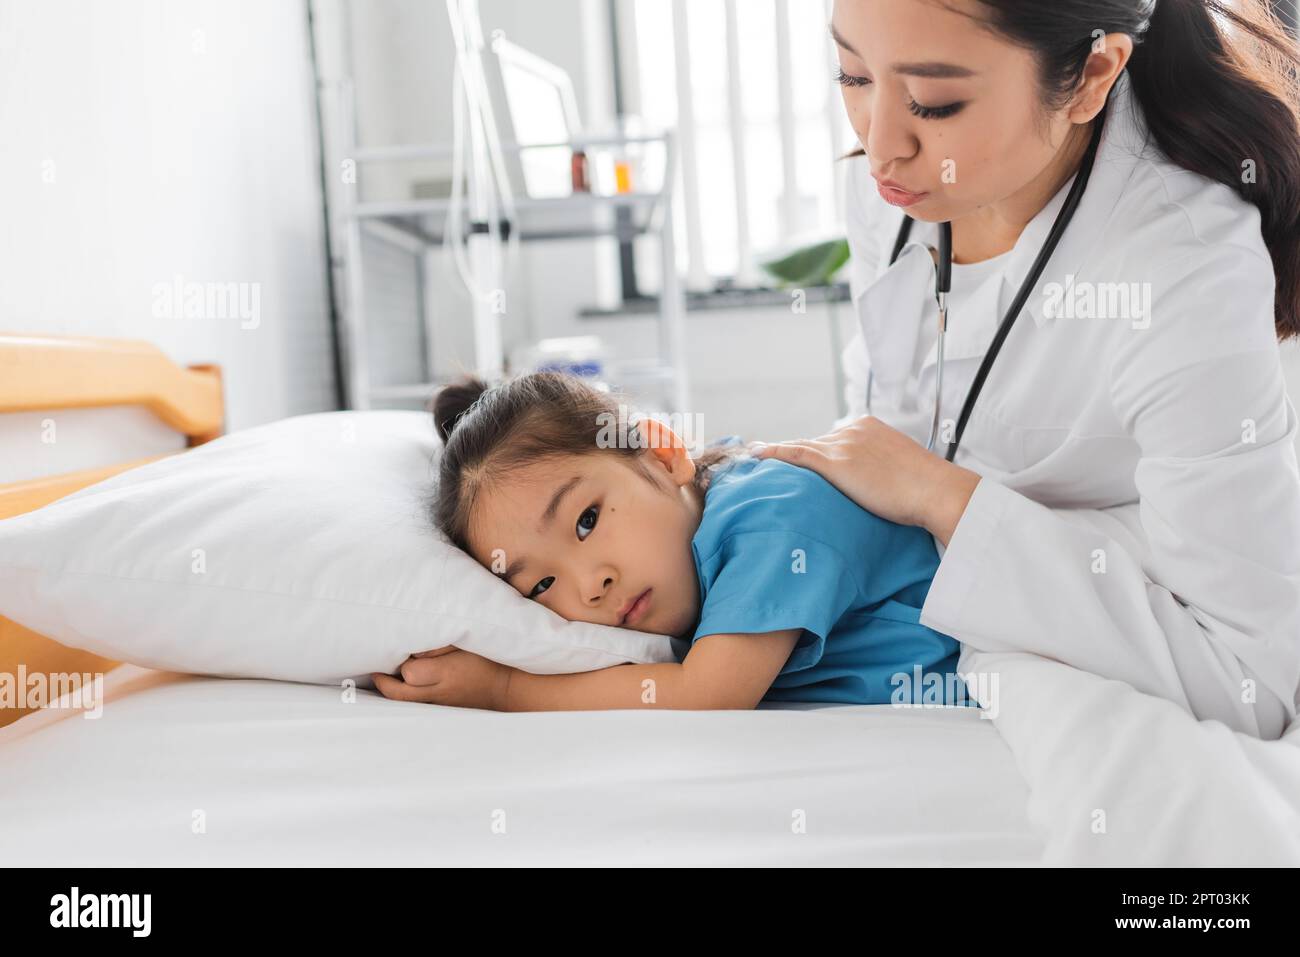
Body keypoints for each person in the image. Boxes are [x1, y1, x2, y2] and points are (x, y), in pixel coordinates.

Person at [753, 0, 1300, 738]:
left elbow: (1250, 683)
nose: (879, 147)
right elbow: (884, 437)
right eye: (852, 75)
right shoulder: (889, 197)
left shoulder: (1185, 269)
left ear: (1093, 74)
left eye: (934, 102)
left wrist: (938, 495)